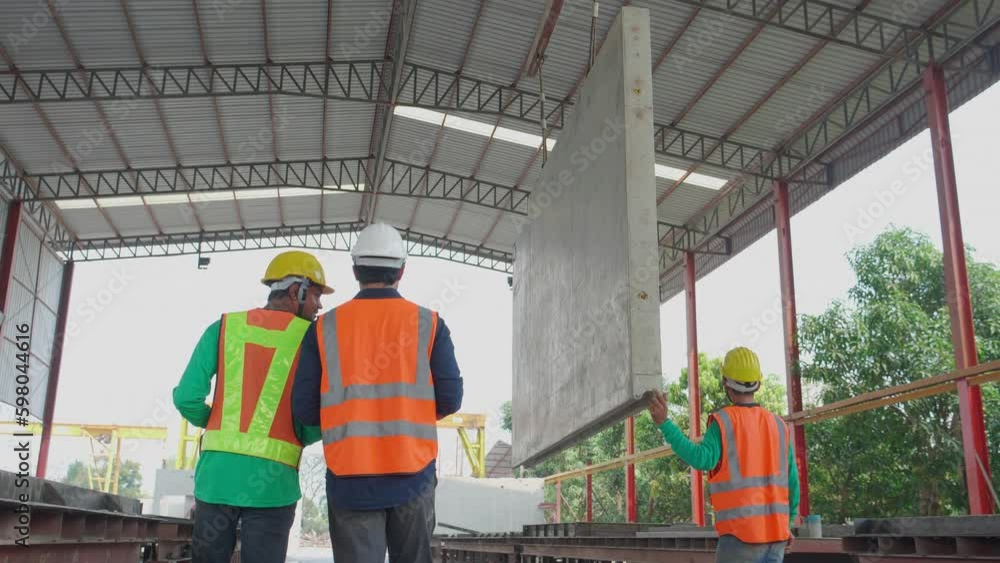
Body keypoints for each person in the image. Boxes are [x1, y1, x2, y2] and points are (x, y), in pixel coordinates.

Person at [292, 222, 463, 563]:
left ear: (355, 270)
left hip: (350, 479)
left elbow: (306, 410)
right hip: (413, 476)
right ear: (401, 270)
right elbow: (450, 399)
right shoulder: (429, 324)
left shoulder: (324, 328)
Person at [173, 250, 334, 563]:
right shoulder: (312, 339)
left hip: (216, 479)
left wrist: (214, 420)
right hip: (273, 485)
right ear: (296, 291)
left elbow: (186, 398)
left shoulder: (224, 328)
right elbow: (315, 418)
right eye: (315, 295)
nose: (319, 305)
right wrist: (300, 435)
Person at [646, 346, 799, 563]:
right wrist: (788, 523)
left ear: (726, 382)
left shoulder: (725, 421)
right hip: (777, 539)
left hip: (741, 537)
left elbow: (701, 458)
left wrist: (665, 424)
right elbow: (792, 481)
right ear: (758, 382)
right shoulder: (779, 425)